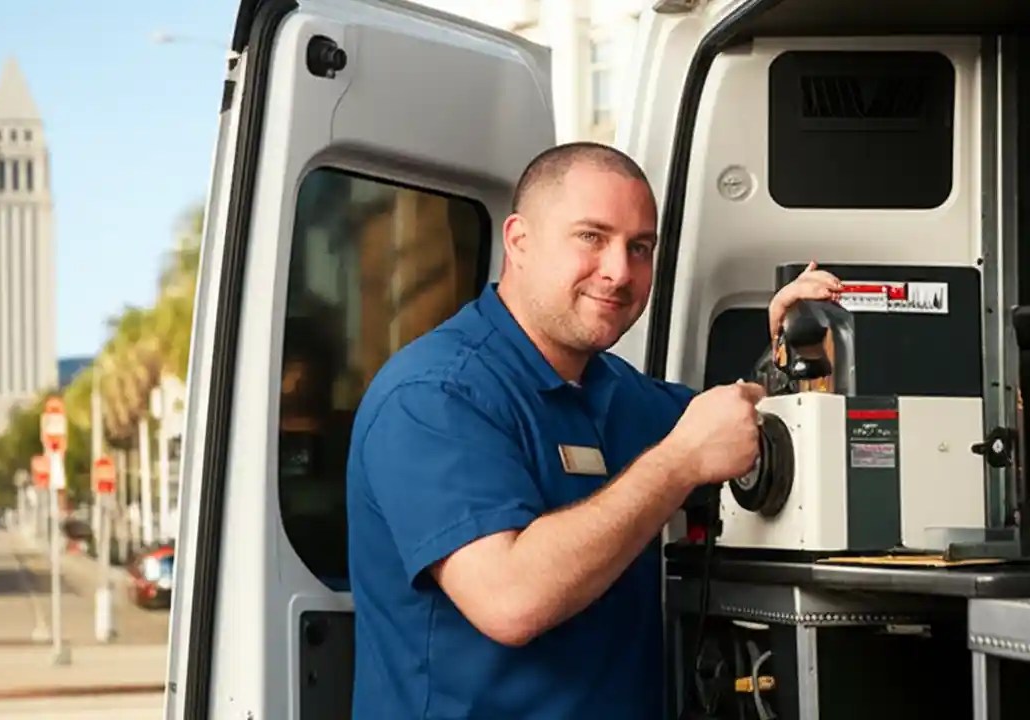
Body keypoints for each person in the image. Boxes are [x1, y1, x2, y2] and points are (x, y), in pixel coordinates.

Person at [345, 142, 843, 719]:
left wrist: (784, 356)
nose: (619, 271)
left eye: (640, 248)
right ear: (519, 241)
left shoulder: (618, 392)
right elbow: (510, 600)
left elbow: (738, 435)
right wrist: (678, 462)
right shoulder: (433, 396)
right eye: (591, 237)